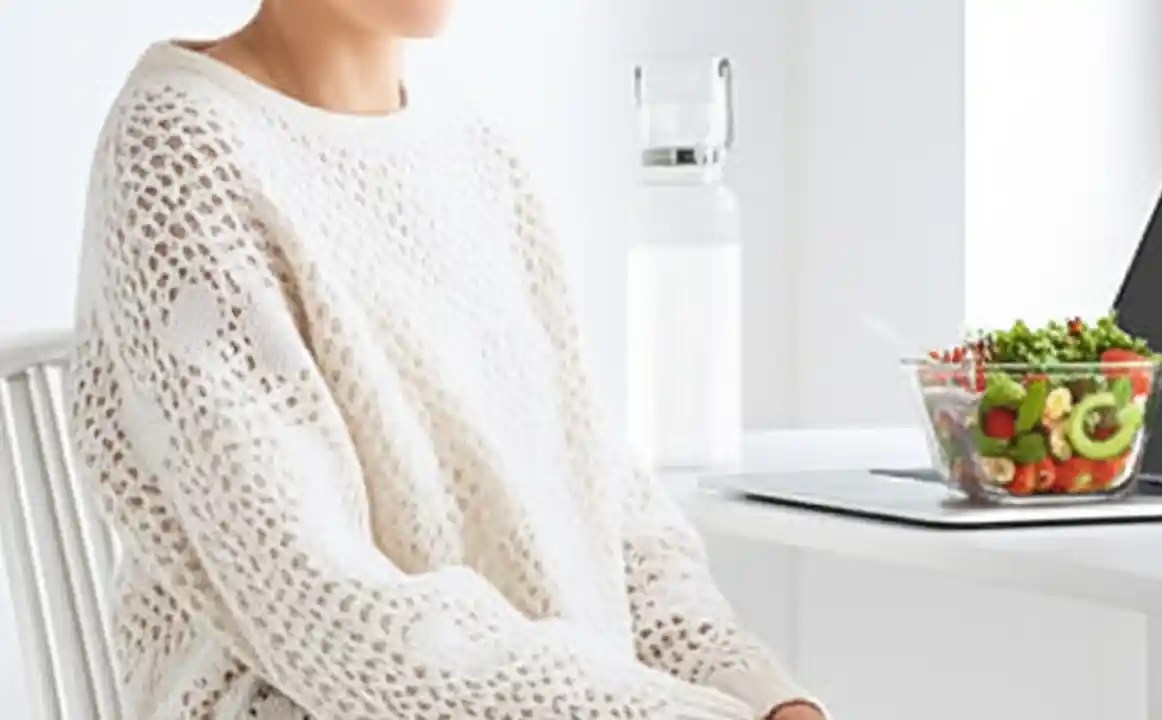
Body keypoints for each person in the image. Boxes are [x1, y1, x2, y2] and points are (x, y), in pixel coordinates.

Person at [68, 1, 825, 718]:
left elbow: (616, 517)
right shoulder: (180, 152)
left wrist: (759, 694)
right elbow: (322, 610)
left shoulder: (476, 155)